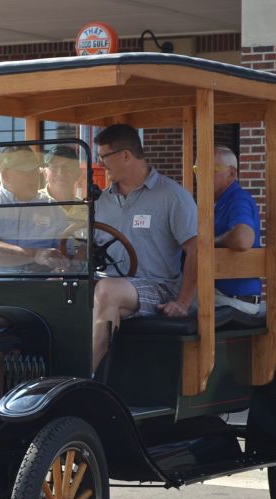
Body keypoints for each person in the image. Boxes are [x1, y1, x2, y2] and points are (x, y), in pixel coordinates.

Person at [92, 124, 198, 373]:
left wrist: (182, 302)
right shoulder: (103, 201)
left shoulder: (172, 196)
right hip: (112, 284)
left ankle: (84, 380)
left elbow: (197, 250)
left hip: (159, 287)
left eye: (103, 157)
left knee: (107, 291)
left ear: (125, 155)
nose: (100, 163)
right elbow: (90, 246)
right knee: (66, 291)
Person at [0, 146, 70, 274]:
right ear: (6, 175)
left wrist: (59, 269)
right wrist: (36, 255)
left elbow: (67, 254)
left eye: (36, 170)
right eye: (27, 172)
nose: (35, 177)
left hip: (40, 289)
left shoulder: (52, 208)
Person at [207, 145, 262, 301]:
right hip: (217, 296)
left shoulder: (238, 198)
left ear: (232, 173)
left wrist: (209, 242)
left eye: (211, 169)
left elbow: (242, 239)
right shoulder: (209, 203)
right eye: (198, 169)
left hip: (234, 301)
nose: (202, 175)